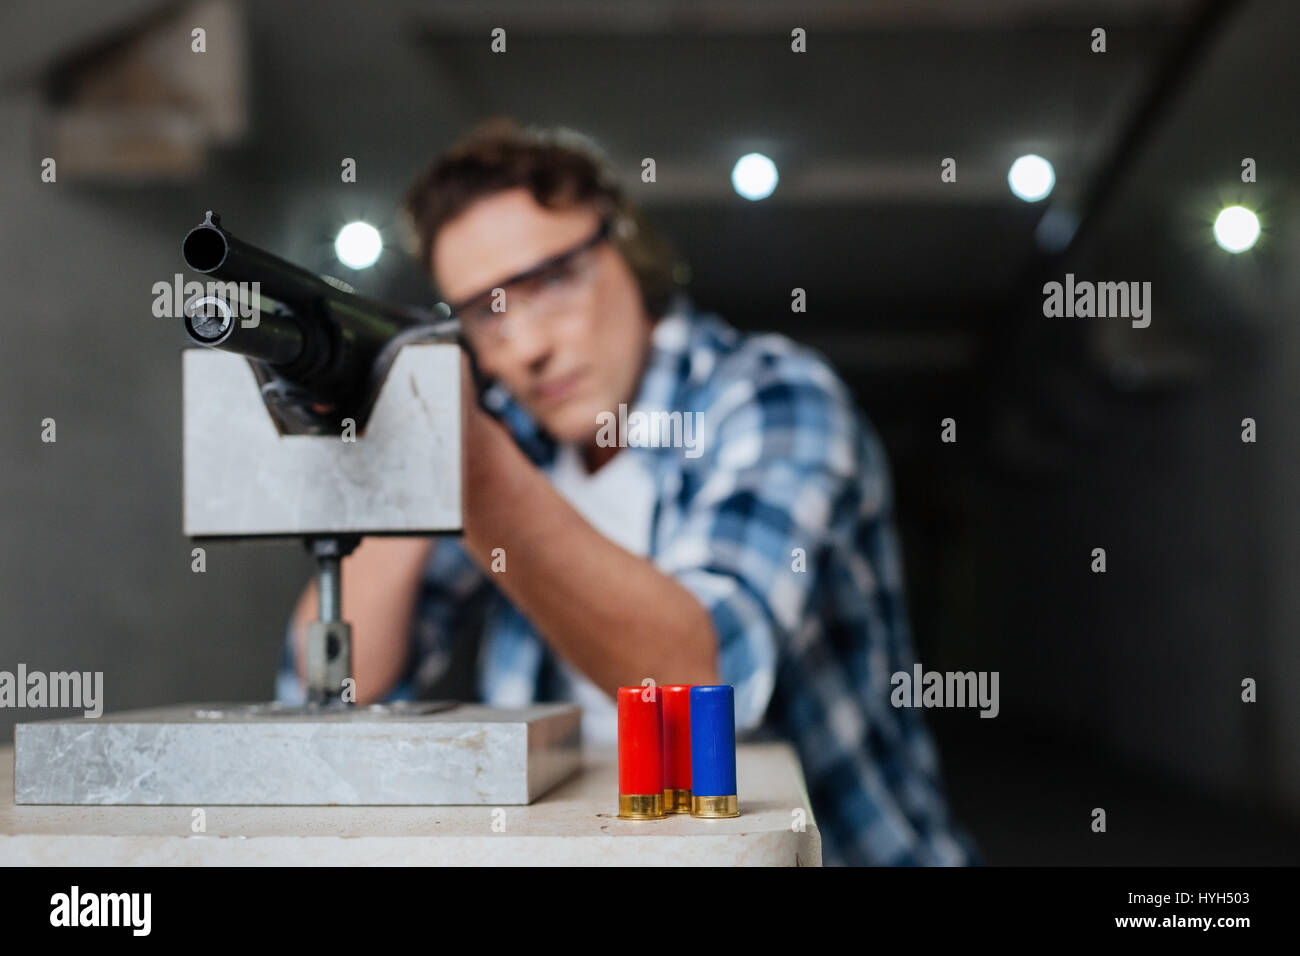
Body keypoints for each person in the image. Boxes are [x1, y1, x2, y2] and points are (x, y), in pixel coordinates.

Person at [277, 118, 980, 866]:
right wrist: (408, 450)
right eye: (486, 312)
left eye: (548, 280)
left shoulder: (777, 397)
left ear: (628, 250)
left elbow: (704, 683)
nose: (527, 346)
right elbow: (331, 683)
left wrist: (471, 466)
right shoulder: (513, 439)